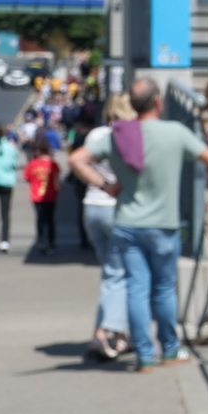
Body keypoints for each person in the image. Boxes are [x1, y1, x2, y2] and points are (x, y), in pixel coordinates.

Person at [69, 78, 208, 370]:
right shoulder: (174, 133)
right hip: (163, 225)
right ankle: (169, 349)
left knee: (136, 289)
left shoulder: (120, 135)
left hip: (127, 223)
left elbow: (77, 159)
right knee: (163, 289)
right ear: (158, 102)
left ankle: (143, 354)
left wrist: (106, 185)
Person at [82, 93, 136, 362]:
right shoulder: (126, 135)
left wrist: (101, 183)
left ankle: (115, 333)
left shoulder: (94, 135)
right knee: (120, 276)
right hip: (116, 207)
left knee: (111, 275)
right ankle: (107, 334)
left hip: (92, 206)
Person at [24, 136, 60, 255]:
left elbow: (27, 178)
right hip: (51, 195)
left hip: (37, 196)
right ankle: (51, 242)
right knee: (50, 220)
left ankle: (41, 240)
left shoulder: (32, 164)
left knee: (40, 219)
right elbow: (57, 180)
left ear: (37, 151)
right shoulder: (53, 164)